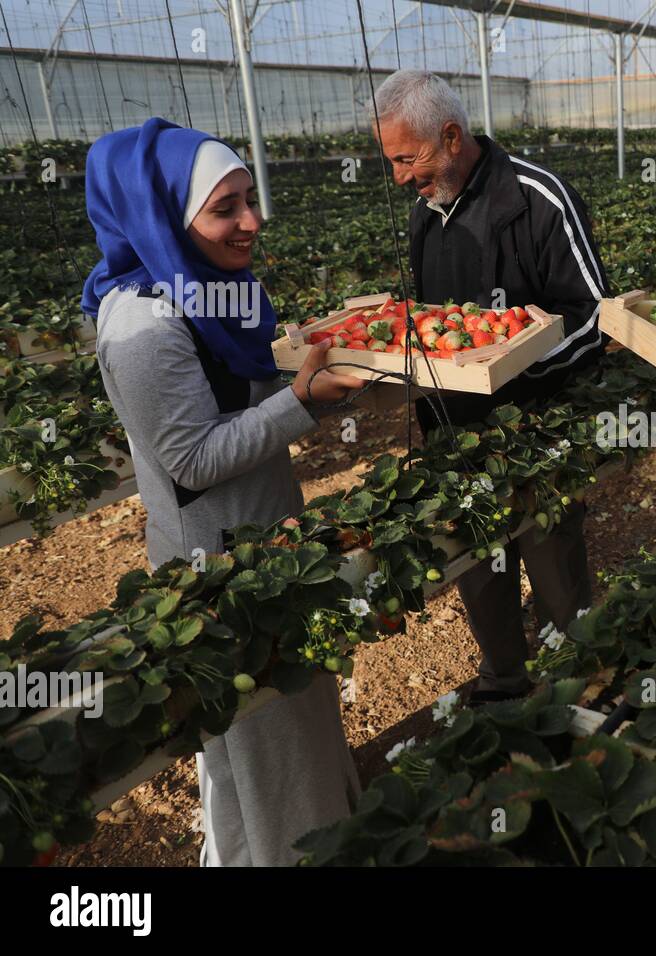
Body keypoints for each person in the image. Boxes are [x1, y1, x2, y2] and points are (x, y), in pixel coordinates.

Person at [82, 117, 366, 865]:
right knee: (264, 745)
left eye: (249, 198)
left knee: (284, 728)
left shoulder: (208, 286)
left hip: (266, 540)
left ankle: (295, 844)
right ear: (162, 217)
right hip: (217, 570)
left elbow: (244, 390)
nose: (250, 220)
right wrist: (303, 400)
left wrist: (303, 368)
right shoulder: (142, 326)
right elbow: (193, 460)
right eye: (224, 208)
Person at [370, 70, 608, 704]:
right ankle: (504, 683)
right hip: (456, 434)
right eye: (390, 160)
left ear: (450, 137)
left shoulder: (538, 199)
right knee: (478, 563)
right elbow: (438, 326)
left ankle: (577, 695)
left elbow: (595, 320)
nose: (398, 177)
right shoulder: (426, 216)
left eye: (405, 158)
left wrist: (513, 364)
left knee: (553, 564)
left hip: (538, 437)